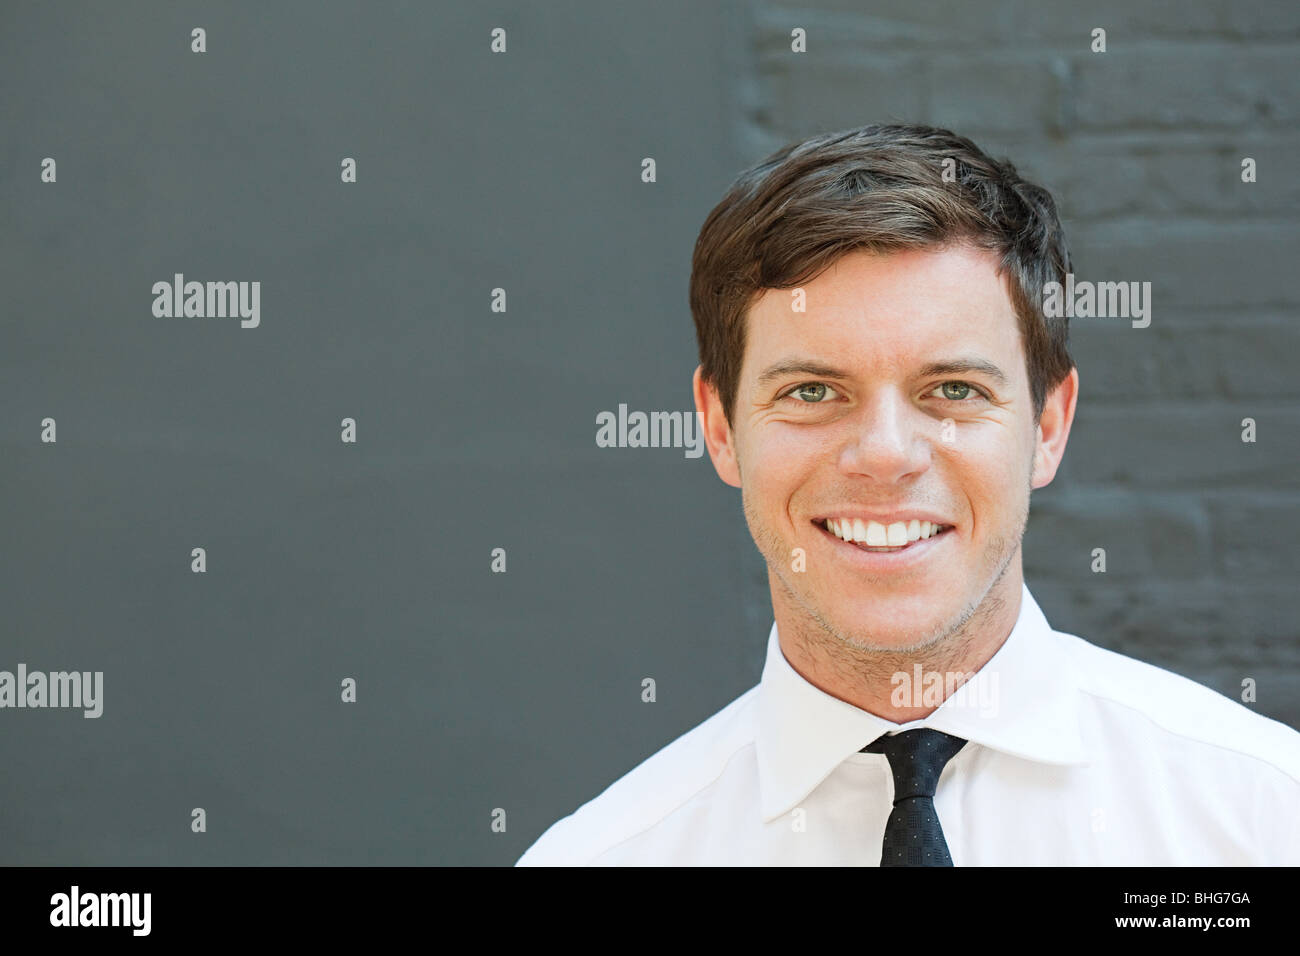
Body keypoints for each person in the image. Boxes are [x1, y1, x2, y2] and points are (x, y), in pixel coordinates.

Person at [516, 124, 1300, 865]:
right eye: (814, 391)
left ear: (1049, 427)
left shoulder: (1263, 822)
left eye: (953, 388)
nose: (886, 455)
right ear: (719, 427)